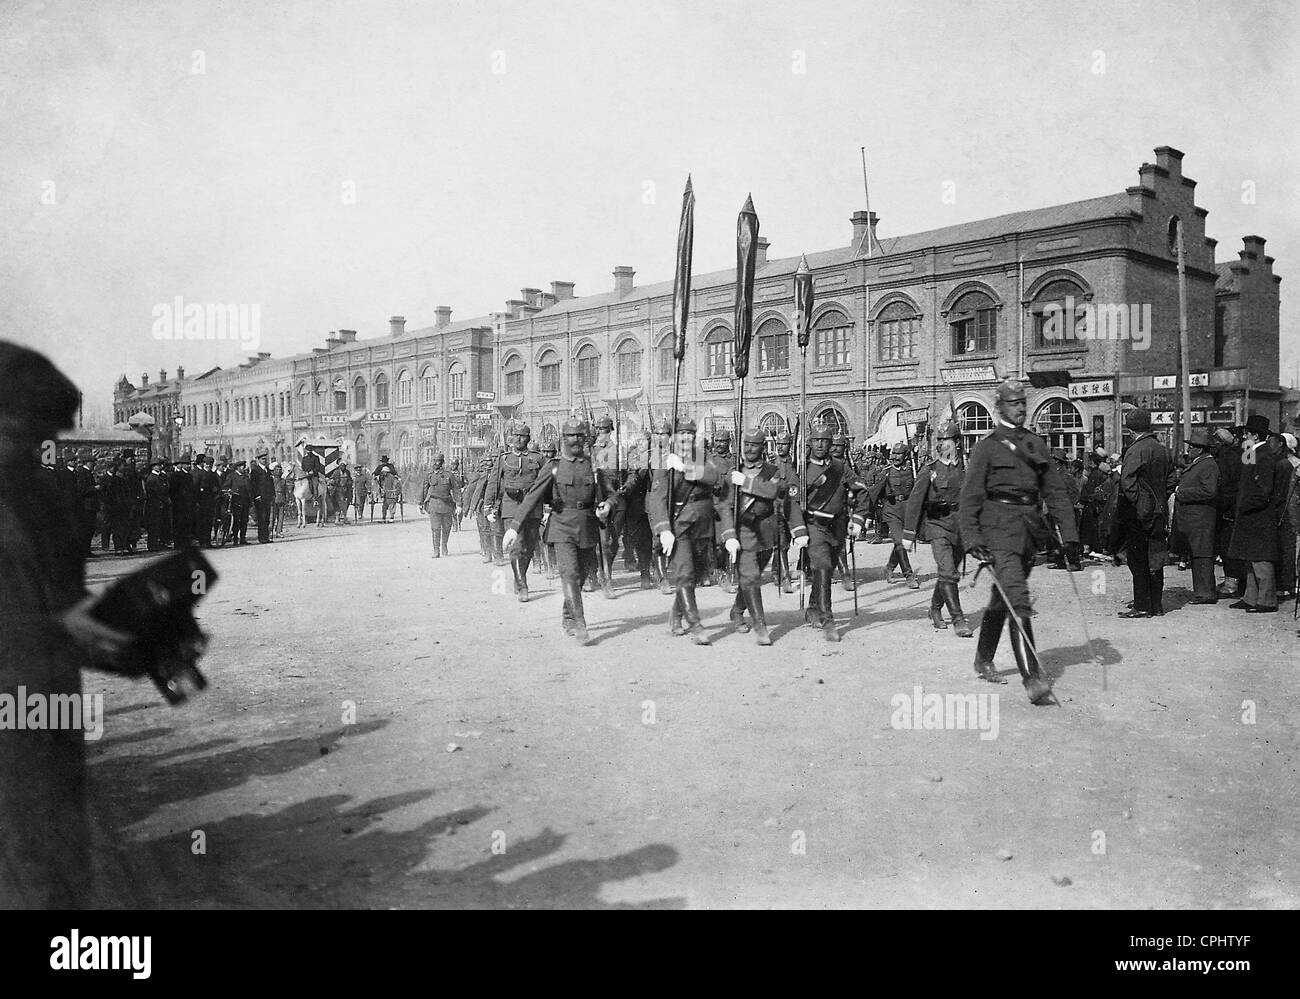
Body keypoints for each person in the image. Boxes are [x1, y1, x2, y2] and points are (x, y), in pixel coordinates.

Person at [0, 340, 141, 907]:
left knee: (57, 883)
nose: (33, 456)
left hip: (44, 730)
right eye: (20, 437)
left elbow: (64, 609)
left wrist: (135, 636)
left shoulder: (36, 497)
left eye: (43, 443)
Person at [959, 378, 1078, 703]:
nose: (1021, 408)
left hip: (1029, 531)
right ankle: (1033, 679)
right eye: (1014, 403)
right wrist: (972, 539)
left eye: (1023, 402)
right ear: (999, 407)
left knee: (1003, 599)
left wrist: (1069, 535)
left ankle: (983, 659)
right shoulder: (987, 447)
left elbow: (1054, 491)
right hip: (997, 531)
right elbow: (970, 497)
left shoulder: (1036, 445)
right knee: (1018, 597)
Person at [504, 419, 613, 644]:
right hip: (561, 527)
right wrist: (514, 527)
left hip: (587, 527)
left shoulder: (593, 465)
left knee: (581, 575)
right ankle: (581, 623)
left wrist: (608, 505)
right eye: (571, 436)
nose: (575, 440)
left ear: (585, 438)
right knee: (570, 573)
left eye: (580, 436)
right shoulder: (553, 466)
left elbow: (610, 494)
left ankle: (568, 615)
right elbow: (533, 495)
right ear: (563, 439)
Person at [646, 419, 734, 644]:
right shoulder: (664, 461)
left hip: (703, 525)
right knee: (684, 573)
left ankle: (676, 616)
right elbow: (658, 499)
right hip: (680, 525)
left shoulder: (702, 457)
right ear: (674, 437)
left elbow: (714, 478)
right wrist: (664, 529)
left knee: (694, 575)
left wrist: (685, 468)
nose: (686, 438)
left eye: (690, 434)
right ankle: (696, 625)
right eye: (682, 434)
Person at [792, 422, 871, 642]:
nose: (820, 444)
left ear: (830, 443)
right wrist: (798, 531)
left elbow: (861, 490)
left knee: (824, 571)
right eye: (816, 440)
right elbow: (792, 502)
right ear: (810, 442)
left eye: (824, 441)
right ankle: (829, 620)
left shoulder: (840, 467)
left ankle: (812, 607)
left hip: (837, 527)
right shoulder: (802, 469)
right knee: (823, 568)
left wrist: (858, 519)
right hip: (814, 526)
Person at [726, 427, 803, 645]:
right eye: (746, 444)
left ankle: (737, 609)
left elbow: (774, 492)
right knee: (751, 577)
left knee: (752, 576)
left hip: (766, 534)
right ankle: (760, 626)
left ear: (762, 447)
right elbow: (725, 503)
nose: (750, 449)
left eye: (754, 445)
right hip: (743, 532)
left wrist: (746, 482)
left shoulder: (772, 470)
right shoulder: (733, 471)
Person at [905, 421, 973, 636]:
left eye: (948, 440)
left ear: (958, 443)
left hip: (960, 527)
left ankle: (935, 609)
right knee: (948, 572)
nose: (944, 444)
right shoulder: (930, 470)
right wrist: (908, 534)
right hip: (937, 526)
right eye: (941, 440)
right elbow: (915, 502)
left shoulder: (967, 469)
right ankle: (958, 619)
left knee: (947, 575)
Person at [1116, 408, 1175, 618]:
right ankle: (1156, 606)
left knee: (1138, 559)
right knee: (1155, 558)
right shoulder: (1162, 449)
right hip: (1159, 513)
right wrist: (1157, 499)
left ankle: (1141, 605)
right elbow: (1171, 481)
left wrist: (1140, 502)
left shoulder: (1135, 450)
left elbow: (1127, 482)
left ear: (1131, 430)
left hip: (1139, 515)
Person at [485, 423, 546, 598]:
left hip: (533, 508)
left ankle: (520, 577)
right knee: (516, 547)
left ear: (528, 438)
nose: (518, 439)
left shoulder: (538, 459)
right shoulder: (503, 459)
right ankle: (522, 585)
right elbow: (493, 484)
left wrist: (548, 506)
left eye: (522, 436)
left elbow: (546, 484)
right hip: (511, 507)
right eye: (515, 435)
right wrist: (488, 507)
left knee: (529, 547)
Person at [1227, 415, 1282, 612]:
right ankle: (1250, 597)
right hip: (1249, 513)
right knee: (1249, 558)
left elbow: (1263, 490)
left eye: (1247, 434)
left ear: (1255, 436)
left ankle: (1267, 600)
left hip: (1258, 514)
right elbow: (1243, 474)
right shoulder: (1252, 451)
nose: (1243, 437)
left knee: (1261, 558)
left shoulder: (1265, 456)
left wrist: (1243, 505)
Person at [1174, 429, 1221, 604]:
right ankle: (1201, 591)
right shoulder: (1200, 463)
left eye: (1192, 447)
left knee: (1202, 556)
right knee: (1197, 555)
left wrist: (1182, 493)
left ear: (1200, 449)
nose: (1189, 450)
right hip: (1196, 519)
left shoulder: (1208, 465)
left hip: (1202, 519)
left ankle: (1205, 593)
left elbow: (1210, 491)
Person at [868, 442, 918, 588]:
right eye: (893, 454)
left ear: (906, 455)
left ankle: (889, 567)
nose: (895, 457)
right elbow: (874, 493)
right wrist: (865, 513)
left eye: (899, 454)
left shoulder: (912, 471)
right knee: (900, 541)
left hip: (907, 511)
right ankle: (908, 575)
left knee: (899, 542)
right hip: (891, 510)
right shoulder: (886, 472)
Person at [419, 452, 462, 558]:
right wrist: (420, 503)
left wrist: (459, 504)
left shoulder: (449, 475)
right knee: (435, 528)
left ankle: (444, 545)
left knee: (447, 527)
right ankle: (436, 550)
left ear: (442, 462)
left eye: (438, 461)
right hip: (433, 504)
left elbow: (456, 490)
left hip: (447, 505)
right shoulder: (429, 475)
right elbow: (424, 490)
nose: (435, 463)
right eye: (434, 461)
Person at [771, 430, 798, 593]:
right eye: (779, 444)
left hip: (791, 509)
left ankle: (776, 569)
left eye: (784, 444)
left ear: (790, 445)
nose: (781, 447)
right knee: (780, 544)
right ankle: (785, 576)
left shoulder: (795, 463)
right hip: (776, 508)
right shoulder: (772, 464)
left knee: (785, 544)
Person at [144, 459, 172, 551]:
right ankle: (152, 545)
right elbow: (154, 493)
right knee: (154, 526)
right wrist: (163, 500)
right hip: (154, 505)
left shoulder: (160, 477)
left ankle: (160, 543)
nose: (160, 466)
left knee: (161, 525)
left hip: (161, 504)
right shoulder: (151, 478)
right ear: (153, 466)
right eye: (158, 465)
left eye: (160, 465)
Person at [250, 452, 274, 543]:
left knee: (267, 518)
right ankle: (262, 538)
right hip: (260, 498)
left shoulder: (267, 470)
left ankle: (266, 537)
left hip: (267, 497)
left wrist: (273, 494)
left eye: (265, 459)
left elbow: (271, 484)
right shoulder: (255, 470)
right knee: (262, 518)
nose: (265, 460)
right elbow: (253, 484)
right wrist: (256, 495)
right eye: (263, 459)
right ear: (259, 460)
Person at [229, 460, 252, 545]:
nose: (244, 468)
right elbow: (226, 486)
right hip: (236, 502)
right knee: (236, 521)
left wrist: (250, 500)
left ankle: (243, 538)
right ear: (237, 468)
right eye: (242, 466)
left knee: (244, 521)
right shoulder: (232, 476)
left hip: (245, 501)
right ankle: (235, 539)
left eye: (244, 466)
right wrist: (230, 491)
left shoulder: (246, 477)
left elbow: (249, 489)